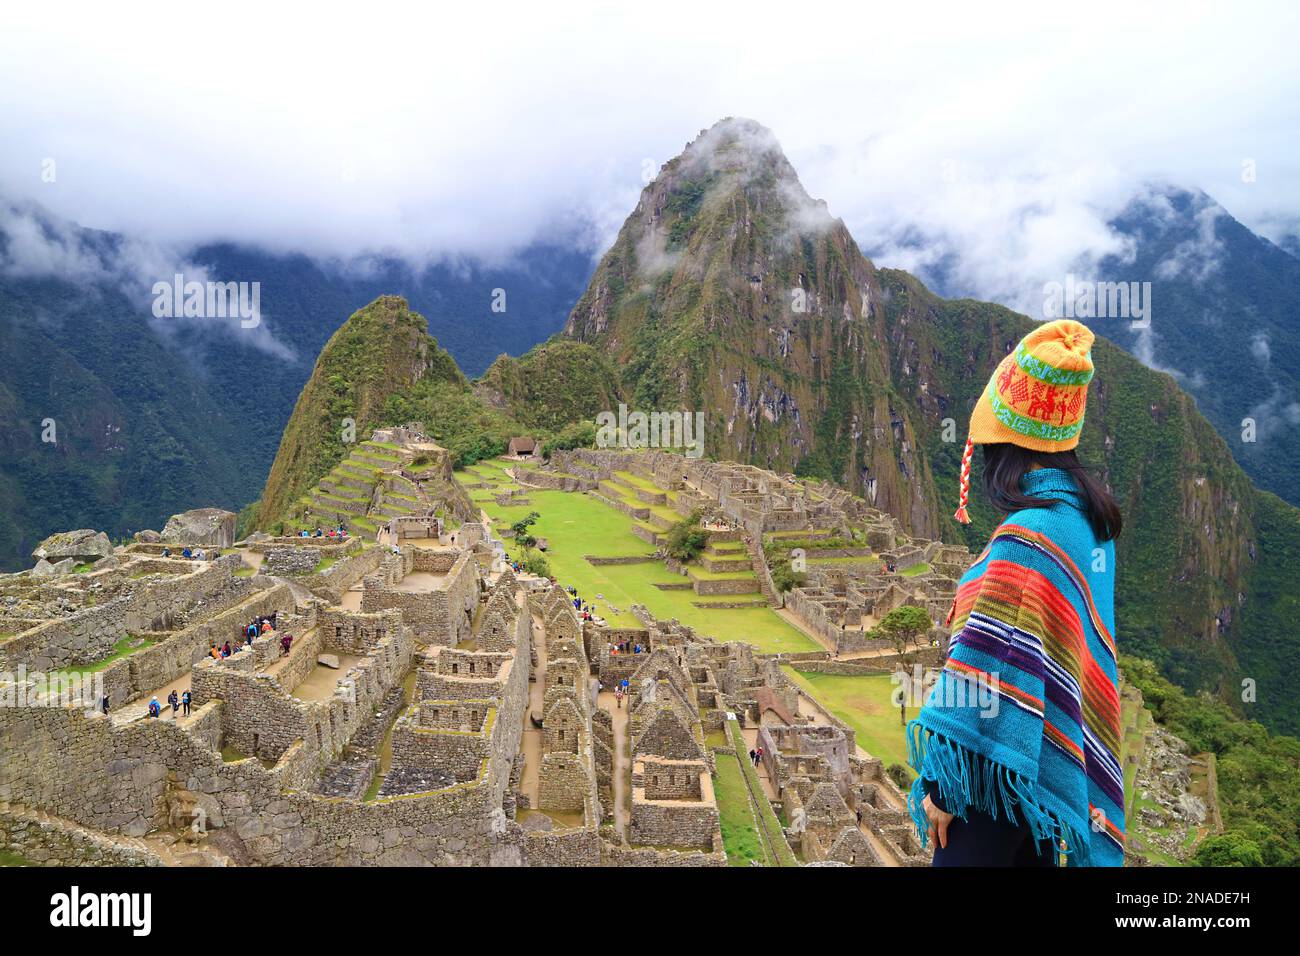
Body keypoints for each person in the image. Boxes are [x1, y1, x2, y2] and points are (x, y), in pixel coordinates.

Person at [908, 319, 1125, 868]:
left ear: (1006, 446)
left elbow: (984, 673)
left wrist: (943, 789)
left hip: (990, 783)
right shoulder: (1088, 524)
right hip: (1040, 785)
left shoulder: (1027, 542)